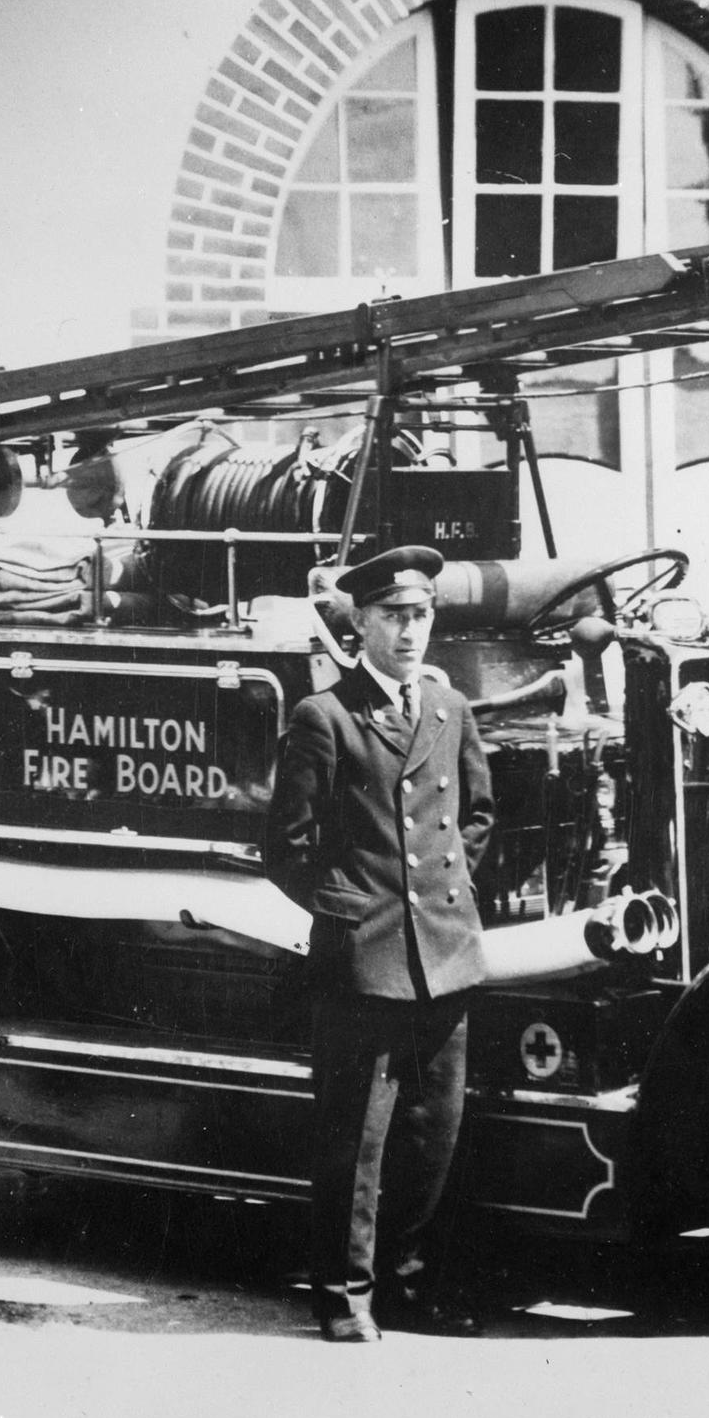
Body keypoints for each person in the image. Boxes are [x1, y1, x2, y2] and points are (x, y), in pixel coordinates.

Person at [263, 545, 496, 1342]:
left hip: (445, 955)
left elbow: (477, 819)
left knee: (433, 1137)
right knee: (355, 1142)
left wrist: (447, 898)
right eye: (392, 617)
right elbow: (286, 848)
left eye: (420, 616)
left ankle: (408, 1286)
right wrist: (354, 913)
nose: (409, 632)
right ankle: (343, 1295)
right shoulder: (324, 717)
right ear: (357, 623)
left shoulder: (448, 709)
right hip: (366, 963)